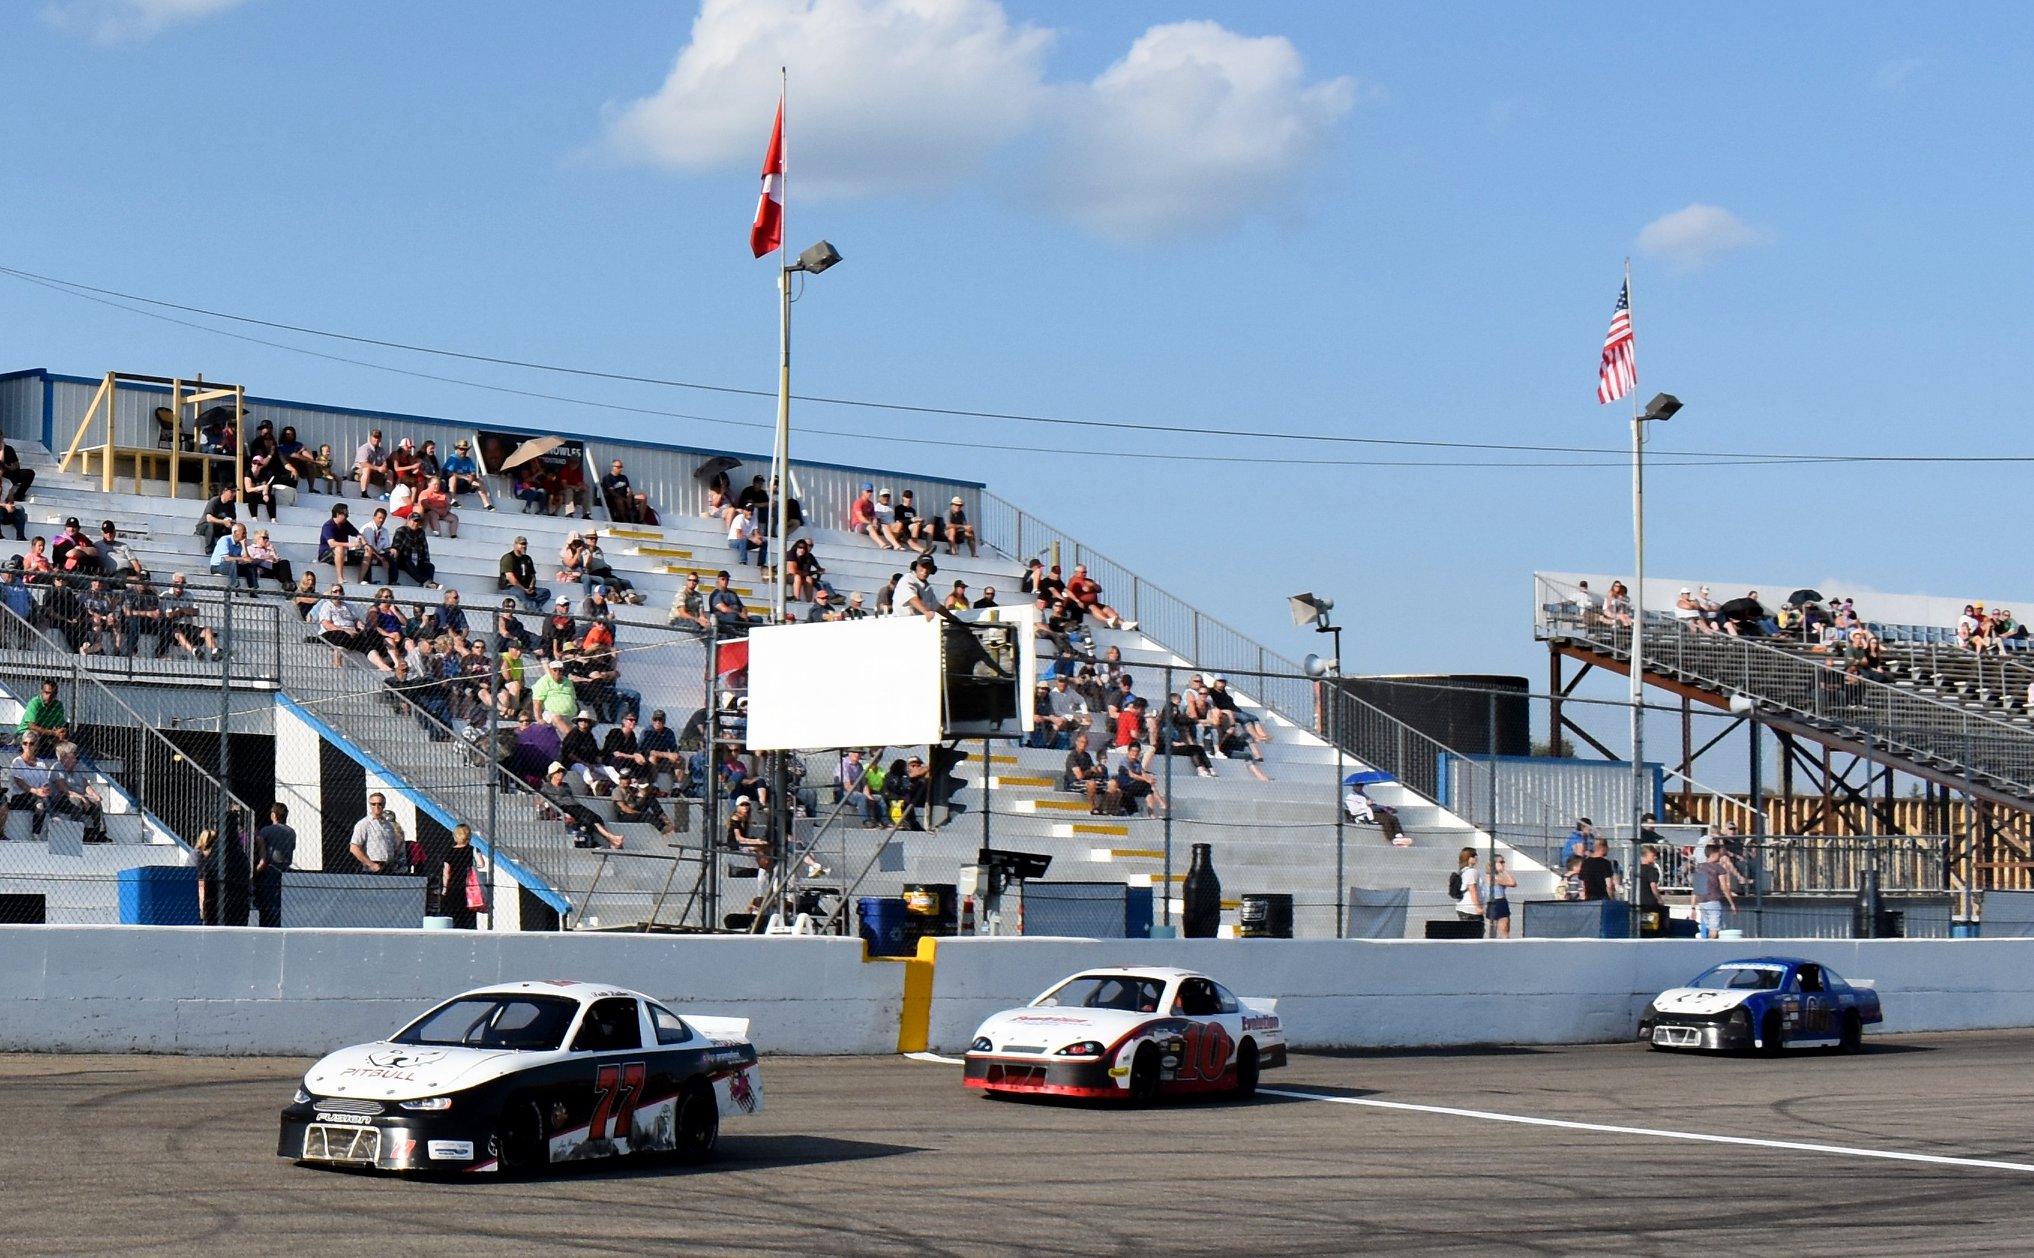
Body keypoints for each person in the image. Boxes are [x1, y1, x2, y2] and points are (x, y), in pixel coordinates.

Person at [539, 761, 625, 849]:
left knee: (596, 817)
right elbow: (543, 801)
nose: (561, 773)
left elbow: (570, 799)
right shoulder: (546, 787)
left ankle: (612, 840)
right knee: (588, 821)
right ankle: (612, 839)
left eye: (562, 771)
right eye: (558, 771)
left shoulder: (565, 785)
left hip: (575, 806)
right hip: (564, 808)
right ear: (552, 774)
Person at [48, 741, 107, 844]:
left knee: (96, 802)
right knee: (76, 801)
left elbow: (85, 784)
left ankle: (100, 833)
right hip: (62, 798)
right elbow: (63, 788)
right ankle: (77, 833)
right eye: (73, 754)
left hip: (79, 796)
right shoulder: (57, 768)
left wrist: (94, 794)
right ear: (64, 756)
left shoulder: (77, 768)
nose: (76, 756)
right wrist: (81, 797)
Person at [253, 801, 296, 928]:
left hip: (270, 869)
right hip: (285, 870)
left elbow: (260, 848)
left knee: (267, 903)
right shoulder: (291, 832)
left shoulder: (266, 831)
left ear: (274, 815)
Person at [348, 793, 406, 873]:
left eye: (379, 804)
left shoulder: (388, 825)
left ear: (384, 805)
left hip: (389, 866)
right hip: (373, 865)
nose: (376, 807)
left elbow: (394, 846)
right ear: (370, 805)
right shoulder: (364, 824)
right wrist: (371, 864)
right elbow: (354, 848)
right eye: (373, 804)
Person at [441, 822, 484, 929]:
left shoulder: (450, 852)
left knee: (454, 914)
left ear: (455, 836)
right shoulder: (473, 849)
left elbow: (446, 872)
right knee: (469, 915)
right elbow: (481, 864)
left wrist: (445, 888)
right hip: (469, 886)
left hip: (453, 886)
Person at [1691, 840, 1736, 938]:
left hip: (1702, 902)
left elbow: (1696, 890)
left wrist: (1693, 907)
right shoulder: (1718, 868)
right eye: (1719, 854)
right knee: (1714, 929)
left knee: (1708, 927)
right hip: (1713, 901)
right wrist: (1732, 903)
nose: (1720, 856)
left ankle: (1707, 943)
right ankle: (1712, 945)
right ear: (1714, 854)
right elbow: (1724, 887)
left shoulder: (1700, 868)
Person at [498, 535, 551, 609]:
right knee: (521, 593)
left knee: (545, 592)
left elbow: (533, 576)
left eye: (525, 544)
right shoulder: (508, 558)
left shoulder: (527, 559)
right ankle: (534, 610)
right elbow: (511, 578)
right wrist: (524, 589)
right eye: (521, 544)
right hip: (509, 588)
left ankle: (532, 606)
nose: (524, 546)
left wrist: (531, 587)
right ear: (515, 545)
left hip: (526, 588)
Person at [1114, 745, 1167, 817]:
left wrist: (1149, 779)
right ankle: (1160, 803)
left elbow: (1142, 773)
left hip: (1134, 785)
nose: (1135, 753)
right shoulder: (1124, 761)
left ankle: (1152, 812)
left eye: (1137, 752)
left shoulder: (1137, 762)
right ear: (1128, 751)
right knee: (1147, 785)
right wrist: (1146, 779)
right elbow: (1132, 775)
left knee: (1148, 789)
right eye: (1133, 751)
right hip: (1125, 784)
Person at [441, 438, 495, 509]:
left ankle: (487, 504)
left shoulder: (468, 460)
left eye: (465, 449)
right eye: (461, 449)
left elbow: (473, 472)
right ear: (457, 449)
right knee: (453, 478)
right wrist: (465, 477)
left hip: (463, 485)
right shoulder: (453, 458)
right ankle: (453, 500)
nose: (463, 451)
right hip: (449, 485)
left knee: (479, 481)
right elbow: (449, 473)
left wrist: (472, 477)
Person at [388, 513, 438, 588]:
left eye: (418, 521)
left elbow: (425, 550)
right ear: (409, 520)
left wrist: (425, 562)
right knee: (407, 561)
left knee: (430, 566)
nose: (416, 523)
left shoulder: (421, 532)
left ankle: (427, 584)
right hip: (403, 560)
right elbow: (396, 545)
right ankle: (426, 581)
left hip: (416, 560)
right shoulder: (402, 530)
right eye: (414, 521)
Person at [209, 522, 259, 591]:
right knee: (233, 562)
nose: (245, 535)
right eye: (243, 533)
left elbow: (246, 559)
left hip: (233, 567)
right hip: (218, 566)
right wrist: (242, 559)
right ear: (235, 533)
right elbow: (226, 558)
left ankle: (253, 589)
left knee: (250, 565)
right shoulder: (225, 540)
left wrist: (244, 546)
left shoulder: (240, 543)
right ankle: (234, 586)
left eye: (246, 533)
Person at [600, 458, 646, 523]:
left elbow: (628, 488)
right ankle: (624, 519)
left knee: (643, 497)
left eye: (621, 467)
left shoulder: (624, 477)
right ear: (613, 467)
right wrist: (623, 498)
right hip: (614, 499)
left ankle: (640, 519)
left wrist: (629, 493)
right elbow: (612, 492)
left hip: (627, 497)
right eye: (618, 467)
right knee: (619, 500)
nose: (620, 469)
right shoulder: (608, 478)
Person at [1482, 854, 1517, 938]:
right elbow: (1512, 883)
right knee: (1500, 930)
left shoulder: (1497, 876)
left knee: (1505, 928)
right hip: (1496, 902)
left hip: (1502, 902)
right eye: (1501, 862)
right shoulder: (1491, 877)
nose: (1503, 864)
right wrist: (1504, 871)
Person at [353, 429, 391, 498]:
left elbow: (384, 462)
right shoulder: (364, 448)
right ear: (370, 437)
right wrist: (378, 468)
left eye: (378, 437)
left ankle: (388, 494)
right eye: (374, 437)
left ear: (380, 439)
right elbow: (363, 464)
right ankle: (364, 493)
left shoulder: (381, 450)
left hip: (374, 473)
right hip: (358, 472)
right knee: (367, 469)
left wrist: (384, 467)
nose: (376, 439)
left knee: (390, 472)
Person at [1454, 848, 1484, 929]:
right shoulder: (1471, 871)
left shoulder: (1463, 871)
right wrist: (1478, 907)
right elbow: (1472, 890)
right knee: (1475, 932)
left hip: (1462, 907)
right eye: (1473, 855)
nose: (1476, 857)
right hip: (1471, 909)